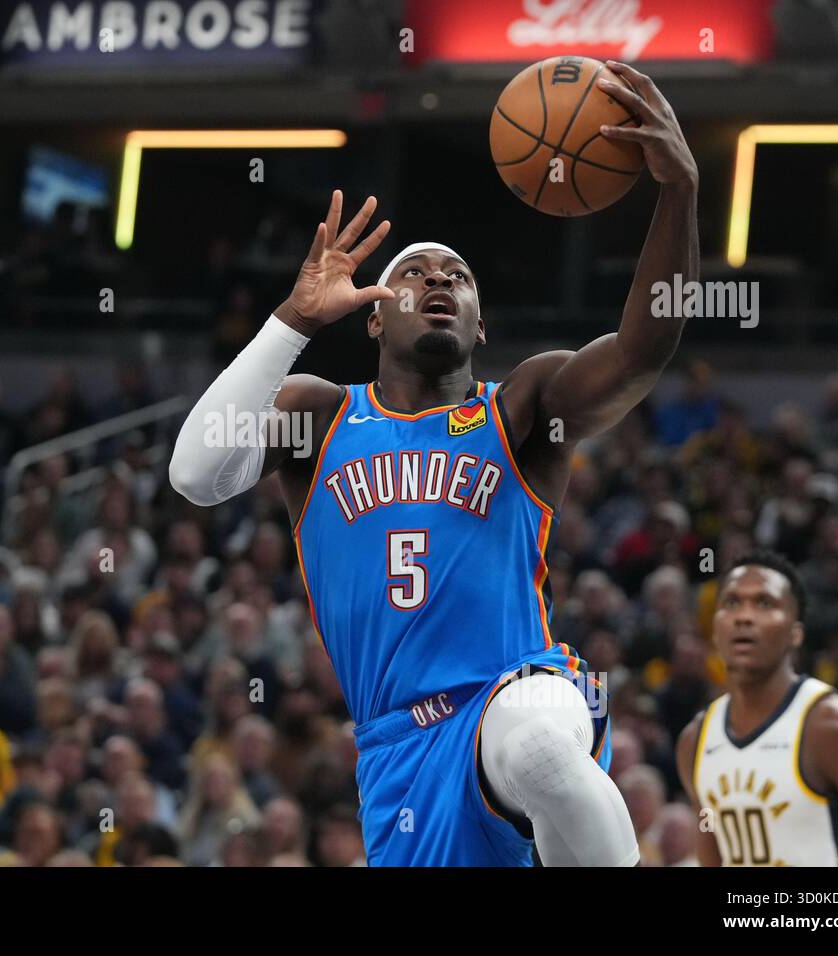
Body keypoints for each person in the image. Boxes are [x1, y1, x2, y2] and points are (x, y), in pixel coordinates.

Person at [171, 62, 698, 865]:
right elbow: (195, 474)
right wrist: (290, 320)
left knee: (547, 756)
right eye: (412, 274)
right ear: (375, 318)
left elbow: (641, 351)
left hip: (516, 692)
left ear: (482, 326)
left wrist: (679, 192)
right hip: (396, 755)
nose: (438, 282)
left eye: (458, 276)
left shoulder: (520, 410)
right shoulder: (318, 413)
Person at [677, 552, 838, 866]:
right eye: (731, 603)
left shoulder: (835, 728)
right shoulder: (695, 742)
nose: (744, 616)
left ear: (795, 633)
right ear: (715, 629)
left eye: (764, 603)